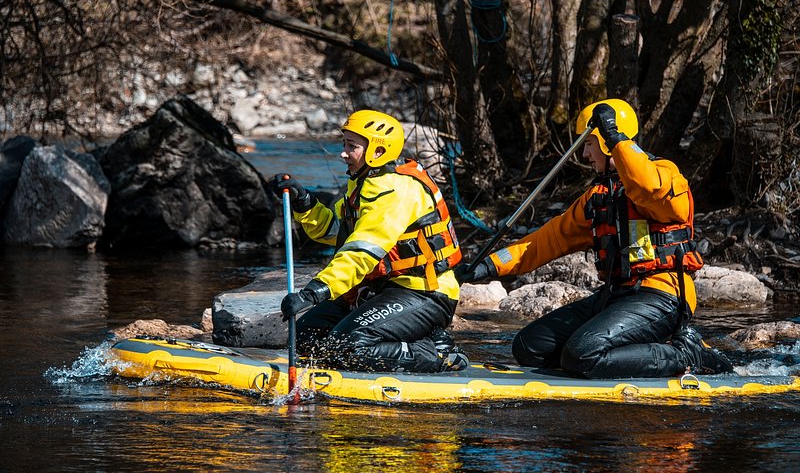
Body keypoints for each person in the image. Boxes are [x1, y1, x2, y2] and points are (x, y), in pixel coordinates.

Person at [456, 99, 733, 378]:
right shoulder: (598, 196)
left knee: (582, 354)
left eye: (589, 143)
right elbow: (546, 241)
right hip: (617, 295)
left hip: (662, 297)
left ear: (607, 143)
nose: (585, 154)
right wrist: (489, 266)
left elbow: (646, 186)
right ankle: (626, 353)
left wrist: (614, 135)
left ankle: (685, 354)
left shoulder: (664, 175)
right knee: (529, 347)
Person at [270, 109, 468, 373]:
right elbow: (336, 231)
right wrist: (304, 202)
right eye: (344, 144)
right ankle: (417, 339)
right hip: (381, 290)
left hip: (424, 294)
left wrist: (316, 291)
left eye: (351, 146)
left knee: (345, 347)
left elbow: (362, 250)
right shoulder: (366, 182)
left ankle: (436, 352)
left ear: (378, 151)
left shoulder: (395, 190)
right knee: (305, 339)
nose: (343, 153)